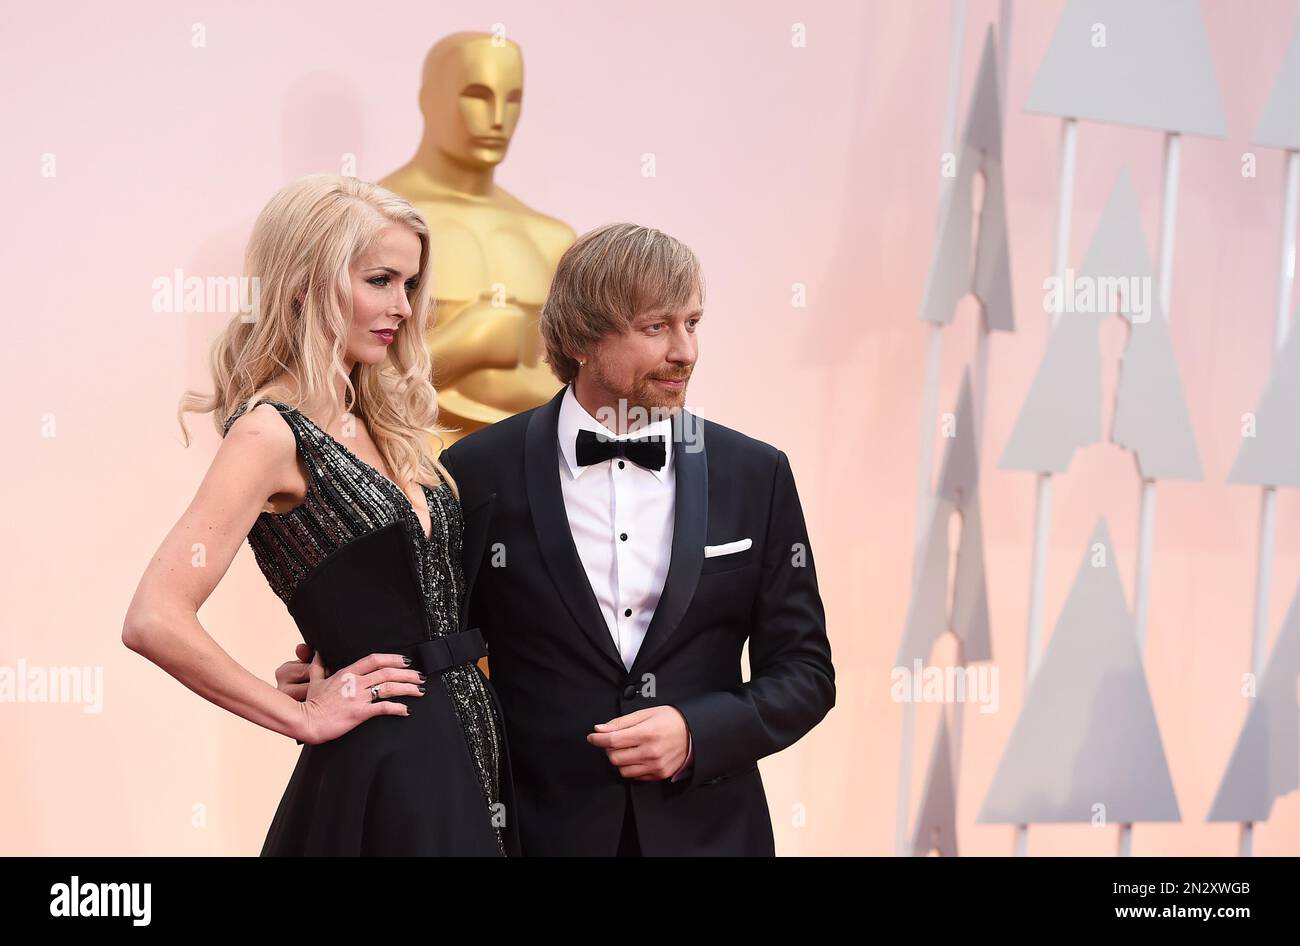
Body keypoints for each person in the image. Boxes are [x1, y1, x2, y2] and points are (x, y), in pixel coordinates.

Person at [279, 221, 836, 855]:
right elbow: (435, 634)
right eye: (656, 328)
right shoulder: (472, 473)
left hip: (711, 833)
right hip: (530, 834)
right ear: (580, 341)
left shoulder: (756, 473)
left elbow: (806, 672)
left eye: (693, 323)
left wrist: (696, 732)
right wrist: (339, 667)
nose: (685, 351)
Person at [122, 174, 515, 856]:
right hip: (391, 770)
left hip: (473, 748)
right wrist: (298, 714)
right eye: (379, 280)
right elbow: (154, 617)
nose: (400, 306)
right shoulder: (270, 434)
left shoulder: (383, 423)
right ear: (304, 282)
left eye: (409, 284)